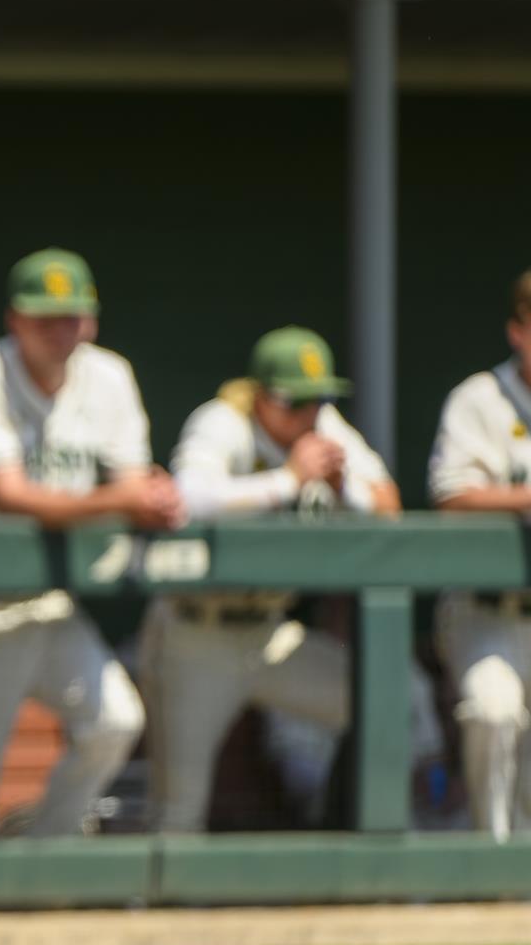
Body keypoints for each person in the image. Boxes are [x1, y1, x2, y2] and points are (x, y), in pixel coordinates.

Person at [0, 249, 181, 837]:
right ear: (15, 319)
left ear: (90, 321)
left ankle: (35, 844)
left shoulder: (108, 375)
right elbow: (8, 493)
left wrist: (151, 498)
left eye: (73, 318)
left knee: (115, 720)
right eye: (46, 318)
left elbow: (132, 481)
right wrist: (126, 501)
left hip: (48, 600)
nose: (62, 332)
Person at [143, 326, 430, 832]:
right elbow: (189, 500)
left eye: (316, 400)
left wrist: (345, 488)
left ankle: (353, 835)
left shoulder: (324, 425)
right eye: (293, 402)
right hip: (196, 632)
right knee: (178, 808)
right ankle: (154, 908)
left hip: (270, 632)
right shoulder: (222, 421)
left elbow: (388, 507)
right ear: (261, 396)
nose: (306, 414)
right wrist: (287, 482)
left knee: (384, 704)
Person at [429, 270, 531, 840]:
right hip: (486, 609)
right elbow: (451, 496)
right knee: (493, 710)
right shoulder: (480, 399)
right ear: (518, 331)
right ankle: (488, 864)